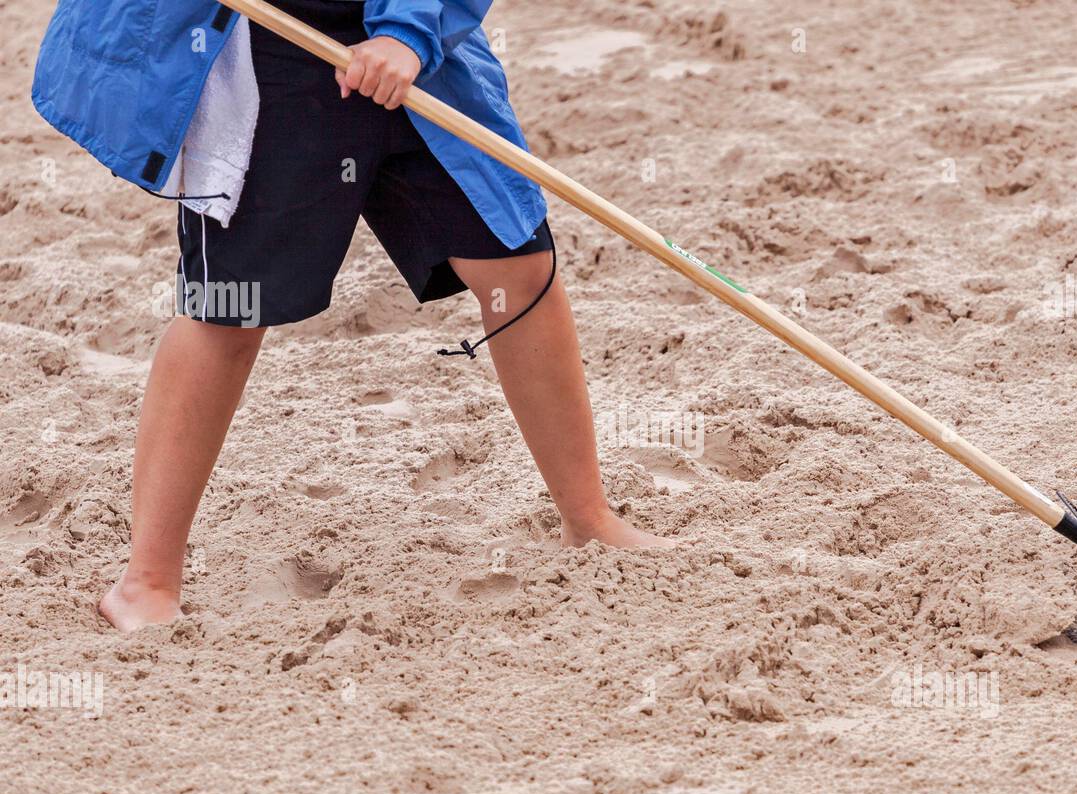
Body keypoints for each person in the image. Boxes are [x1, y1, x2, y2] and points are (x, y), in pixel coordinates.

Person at [30, 0, 670, 633]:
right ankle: (147, 581)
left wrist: (410, 35)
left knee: (516, 271)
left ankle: (588, 520)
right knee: (229, 309)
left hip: (417, 44)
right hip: (265, 46)